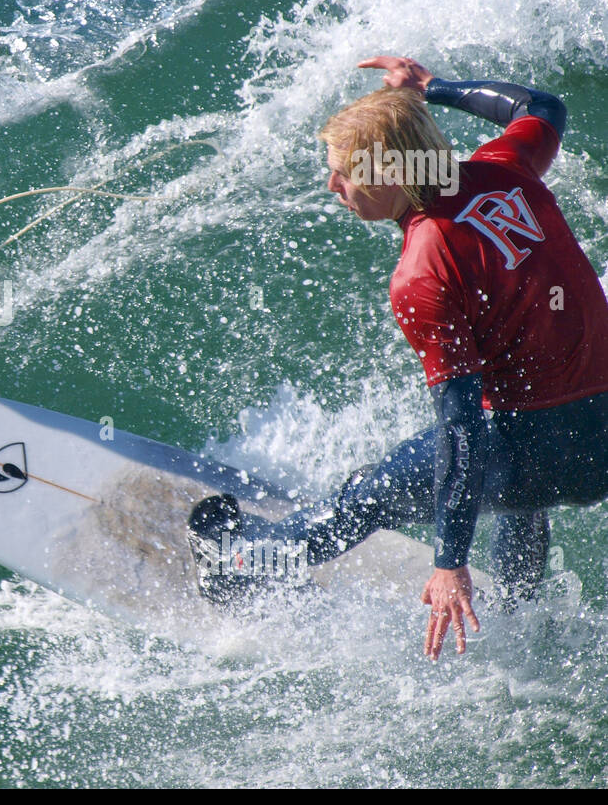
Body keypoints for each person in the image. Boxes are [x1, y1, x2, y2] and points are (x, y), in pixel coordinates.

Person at [187, 55, 608, 660]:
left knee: (371, 492)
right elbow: (542, 108)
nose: (333, 187)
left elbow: (460, 433)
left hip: (542, 452)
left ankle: (237, 570)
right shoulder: (506, 169)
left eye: (343, 176)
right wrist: (432, 88)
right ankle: (524, 617)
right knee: (519, 460)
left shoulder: (423, 271)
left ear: (390, 174)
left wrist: (450, 560)